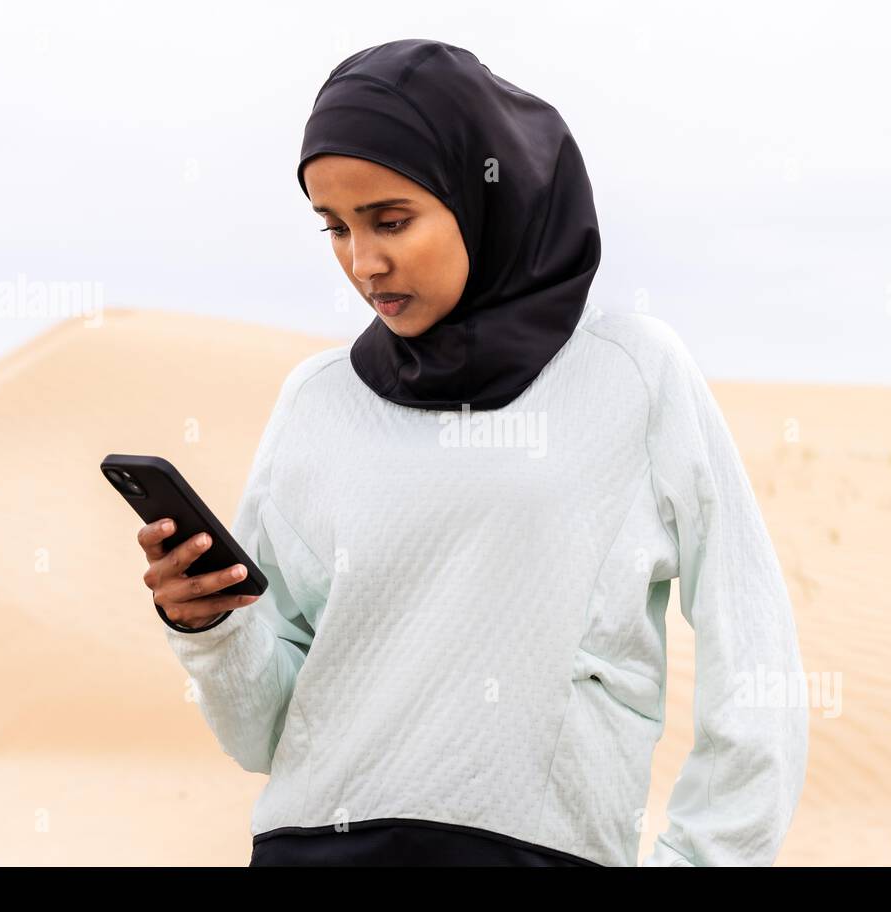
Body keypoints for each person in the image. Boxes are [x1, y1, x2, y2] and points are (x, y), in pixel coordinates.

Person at [137, 38, 809, 867]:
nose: (363, 261)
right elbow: (266, 731)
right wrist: (207, 628)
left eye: (390, 220)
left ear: (485, 189)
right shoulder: (318, 402)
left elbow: (758, 664)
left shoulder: (632, 375)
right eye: (335, 227)